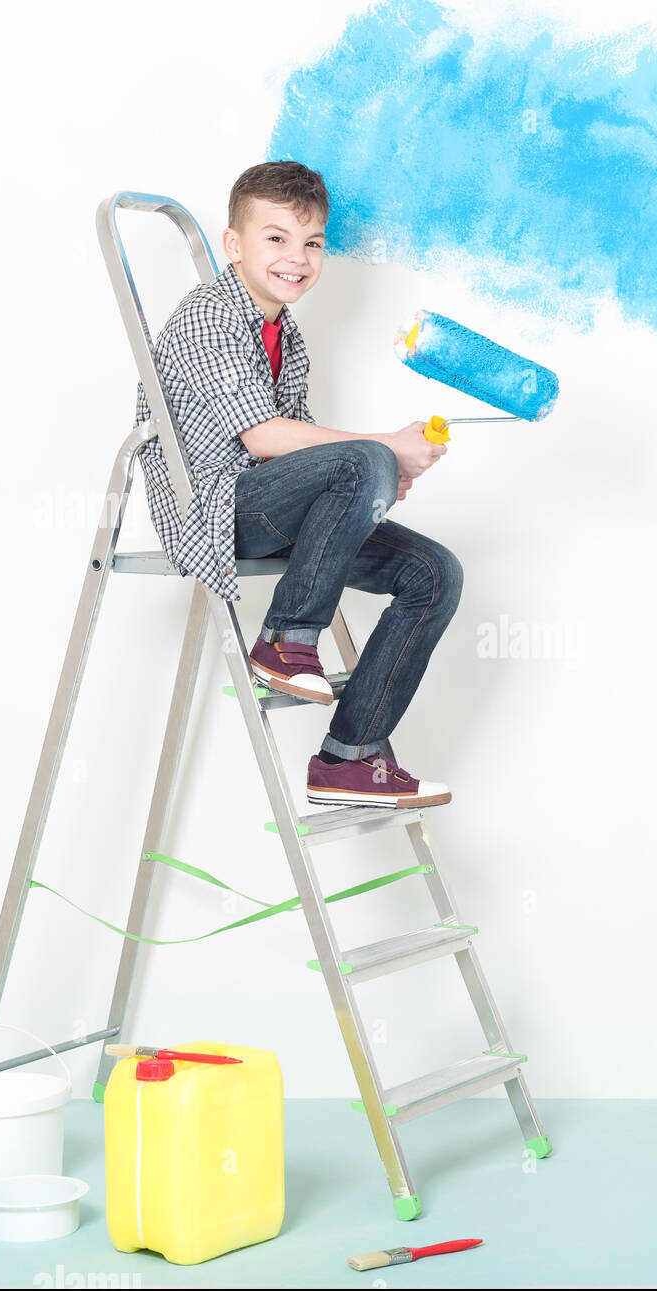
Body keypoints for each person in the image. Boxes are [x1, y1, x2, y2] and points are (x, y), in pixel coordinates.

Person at [133, 160, 460, 807]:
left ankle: (349, 757)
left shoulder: (288, 334)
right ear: (235, 244)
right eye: (276, 238)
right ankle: (286, 642)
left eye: (312, 243)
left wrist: (379, 478)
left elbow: (303, 450)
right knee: (365, 456)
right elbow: (263, 438)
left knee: (434, 573)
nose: (298, 258)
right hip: (215, 508)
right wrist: (380, 452)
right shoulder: (209, 316)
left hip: (268, 502)